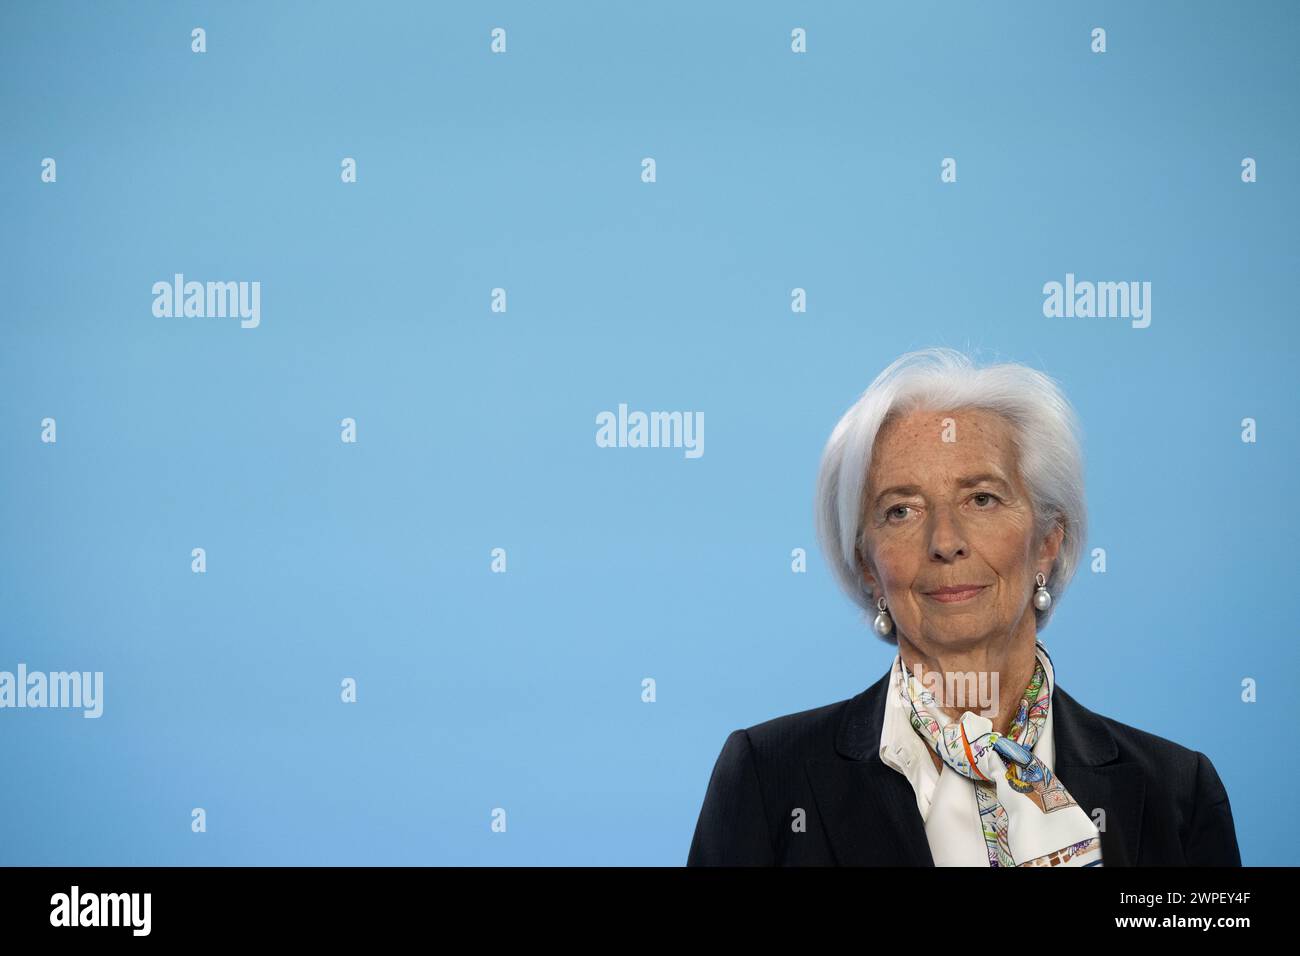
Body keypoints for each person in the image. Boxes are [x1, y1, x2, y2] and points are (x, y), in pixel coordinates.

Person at [687, 347, 1241, 866]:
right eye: (901, 510)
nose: (945, 540)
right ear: (866, 565)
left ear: (1048, 541)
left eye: (982, 499)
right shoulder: (766, 777)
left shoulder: (1176, 791)